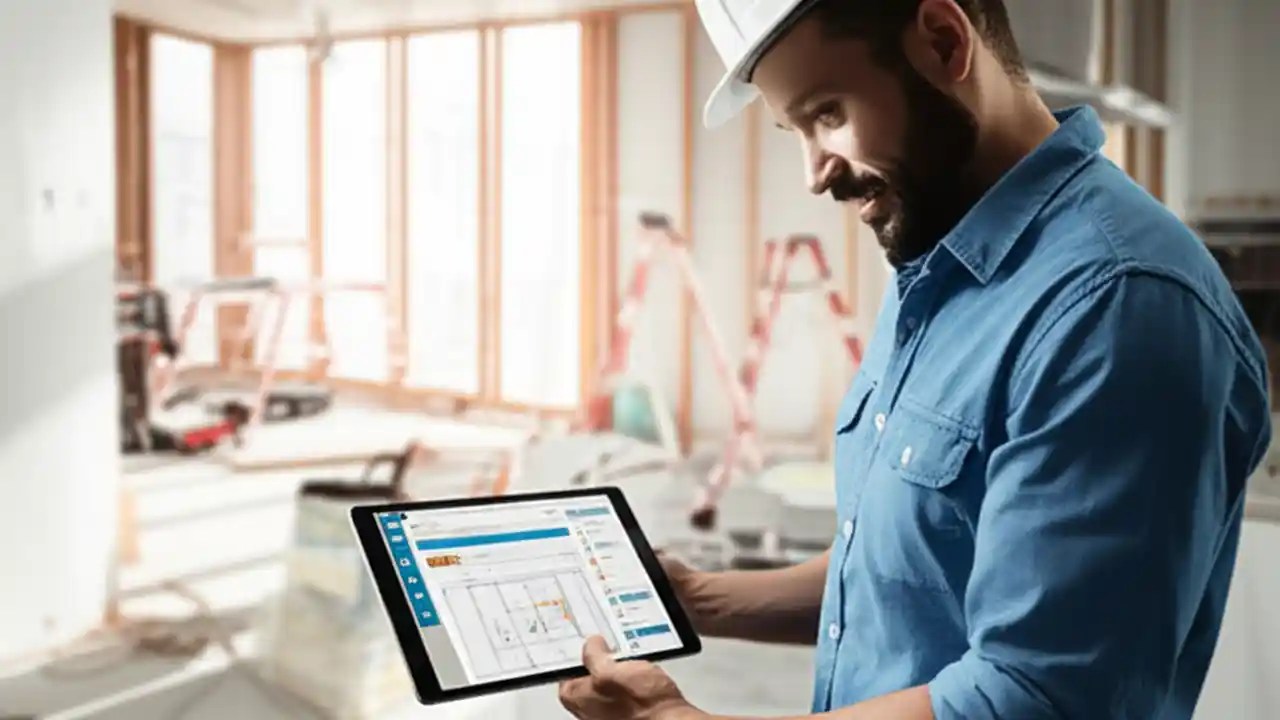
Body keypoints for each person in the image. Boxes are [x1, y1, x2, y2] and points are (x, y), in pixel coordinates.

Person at [558, 0, 1273, 718]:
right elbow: (913, 569)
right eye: (794, 130)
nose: (814, 173)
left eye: (827, 113)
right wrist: (697, 599)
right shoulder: (941, 259)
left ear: (942, 40)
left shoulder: (1118, 307)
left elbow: (1037, 695)